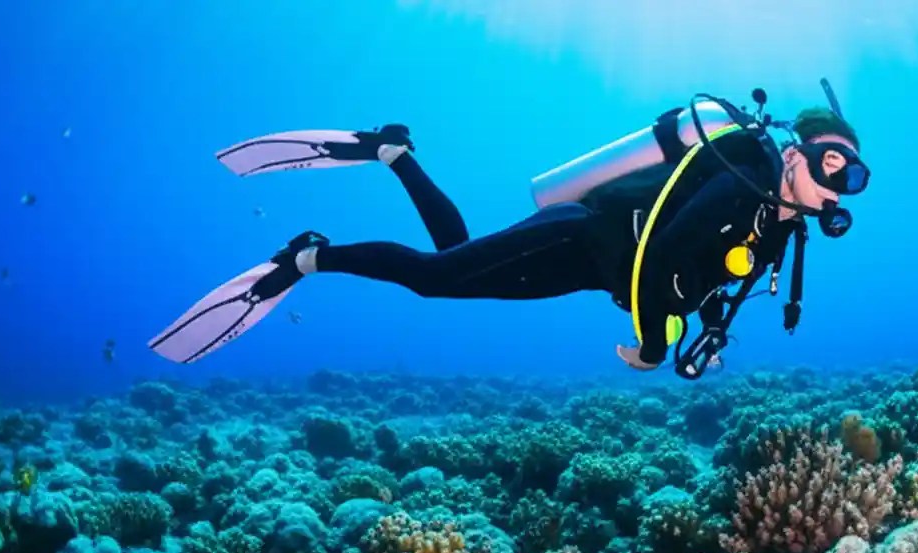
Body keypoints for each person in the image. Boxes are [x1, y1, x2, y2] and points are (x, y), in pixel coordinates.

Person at [149, 86, 870, 378]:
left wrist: (710, 329)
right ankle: (308, 257)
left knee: (452, 259)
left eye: (851, 177)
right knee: (437, 279)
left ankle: (394, 153)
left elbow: (714, 275)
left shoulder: (779, 226)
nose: (836, 183)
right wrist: (656, 346)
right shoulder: (740, 176)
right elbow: (661, 260)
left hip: (585, 266)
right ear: (796, 153)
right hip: (581, 238)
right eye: (830, 162)